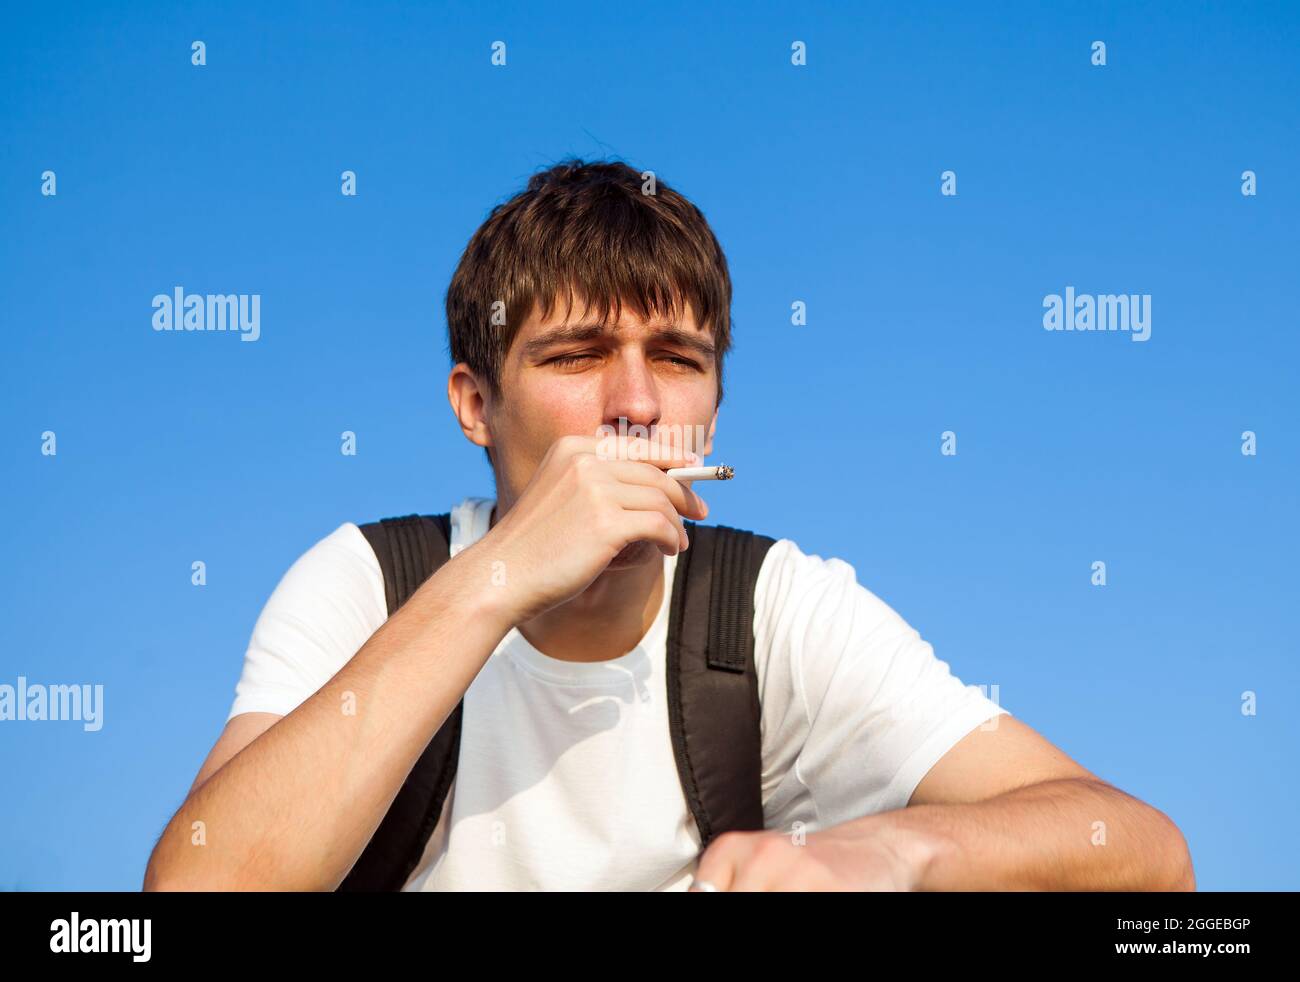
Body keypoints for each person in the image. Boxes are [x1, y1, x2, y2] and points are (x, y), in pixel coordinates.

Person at [143, 159, 1194, 892]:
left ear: (715, 410)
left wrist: (885, 853)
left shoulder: (773, 610)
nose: (637, 402)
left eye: (680, 360)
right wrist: (497, 576)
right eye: (575, 355)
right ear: (473, 405)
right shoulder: (364, 583)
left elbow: (1145, 857)